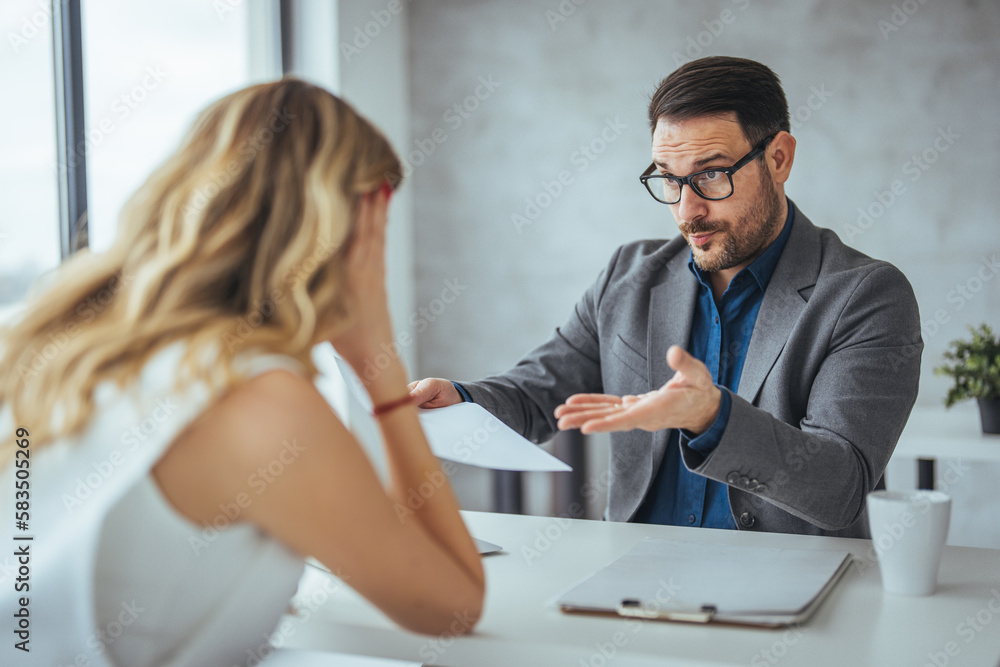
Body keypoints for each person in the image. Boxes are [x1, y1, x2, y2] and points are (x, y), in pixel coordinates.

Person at [0, 79, 483, 667]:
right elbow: (455, 604)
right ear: (358, 230)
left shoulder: (51, 341)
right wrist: (380, 362)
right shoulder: (258, 400)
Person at [410, 56, 922, 538]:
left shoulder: (865, 296)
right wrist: (462, 400)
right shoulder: (629, 277)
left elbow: (840, 488)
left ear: (779, 158)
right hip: (632, 578)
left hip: (790, 592)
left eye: (710, 175)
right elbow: (537, 393)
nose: (686, 210)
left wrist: (712, 418)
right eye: (669, 180)